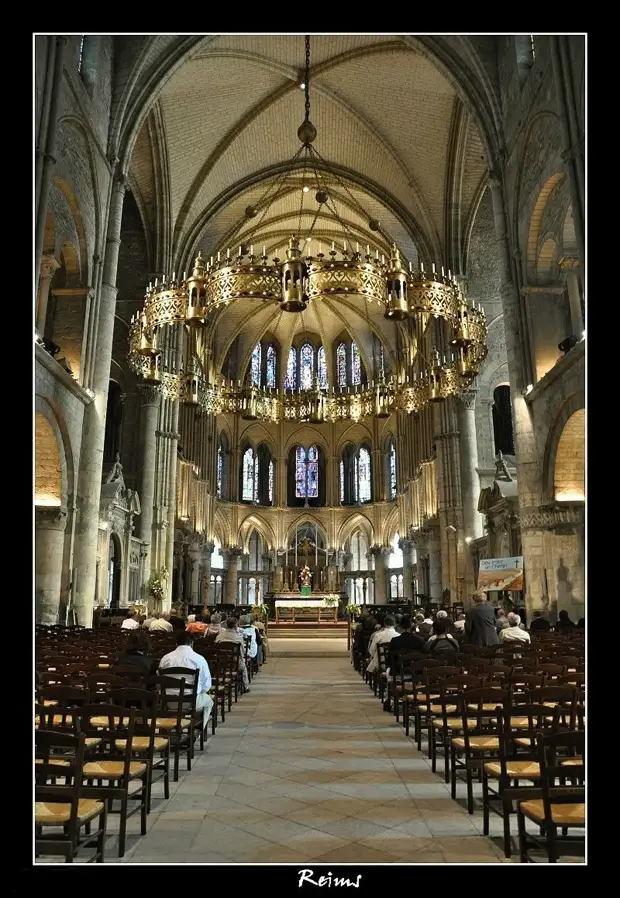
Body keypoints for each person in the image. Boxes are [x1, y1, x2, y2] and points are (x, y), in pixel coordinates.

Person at [158, 630, 213, 733]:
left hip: (168, 702)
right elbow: (206, 686)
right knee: (209, 702)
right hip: (190, 702)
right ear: (192, 643)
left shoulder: (165, 658)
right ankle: (197, 731)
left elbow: (159, 681)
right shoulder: (199, 659)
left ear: (176, 643)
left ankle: (167, 730)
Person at [216, 618, 250, 692]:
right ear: (235, 626)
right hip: (235, 663)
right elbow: (242, 652)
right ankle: (245, 687)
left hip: (222, 663)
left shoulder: (219, 637)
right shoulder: (238, 638)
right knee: (243, 667)